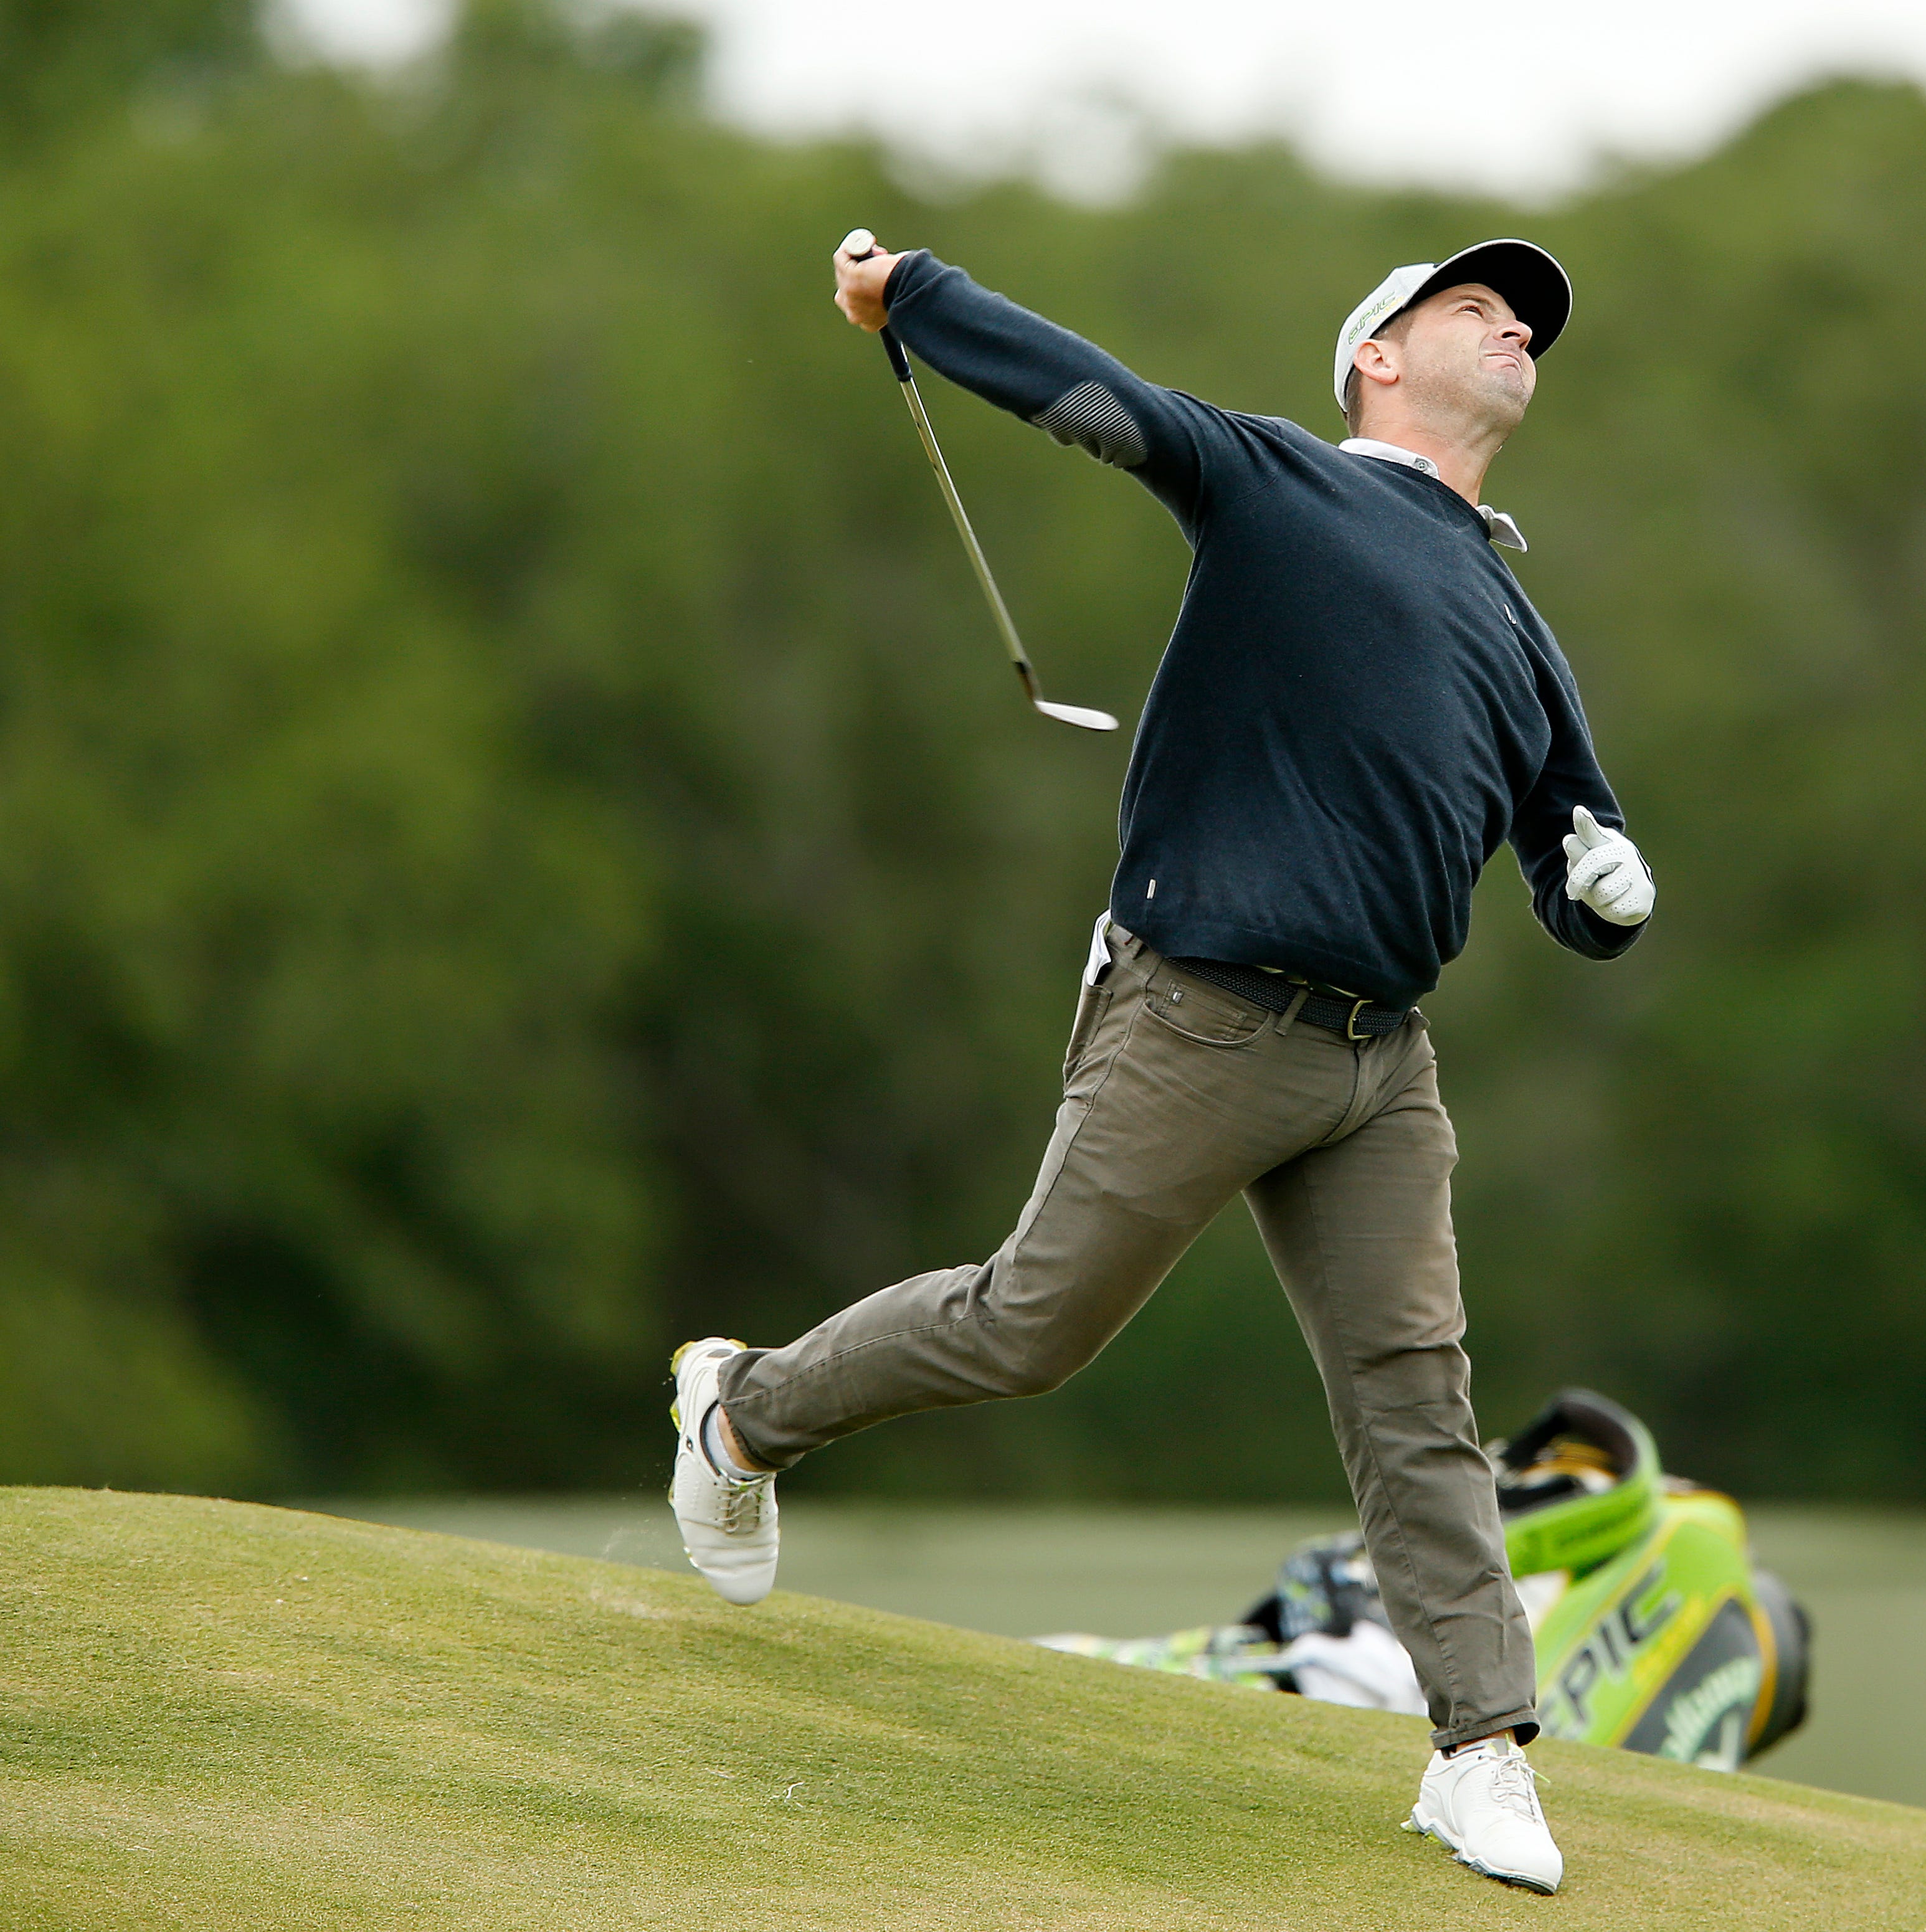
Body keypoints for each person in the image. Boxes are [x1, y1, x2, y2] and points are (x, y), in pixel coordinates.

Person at [665, 231, 1657, 1897]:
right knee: (1030, 1324)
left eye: (1525, 321)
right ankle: (742, 1415)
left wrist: (1605, 887)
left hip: (1378, 1063)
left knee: (1417, 1399)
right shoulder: (1280, 483)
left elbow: (1572, 851)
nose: (1509, 328)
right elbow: (1100, 403)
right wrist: (910, 293)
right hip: (1200, 1008)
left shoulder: (1509, 611)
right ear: (1378, 360)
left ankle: (1479, 1753)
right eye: (1468, 307)